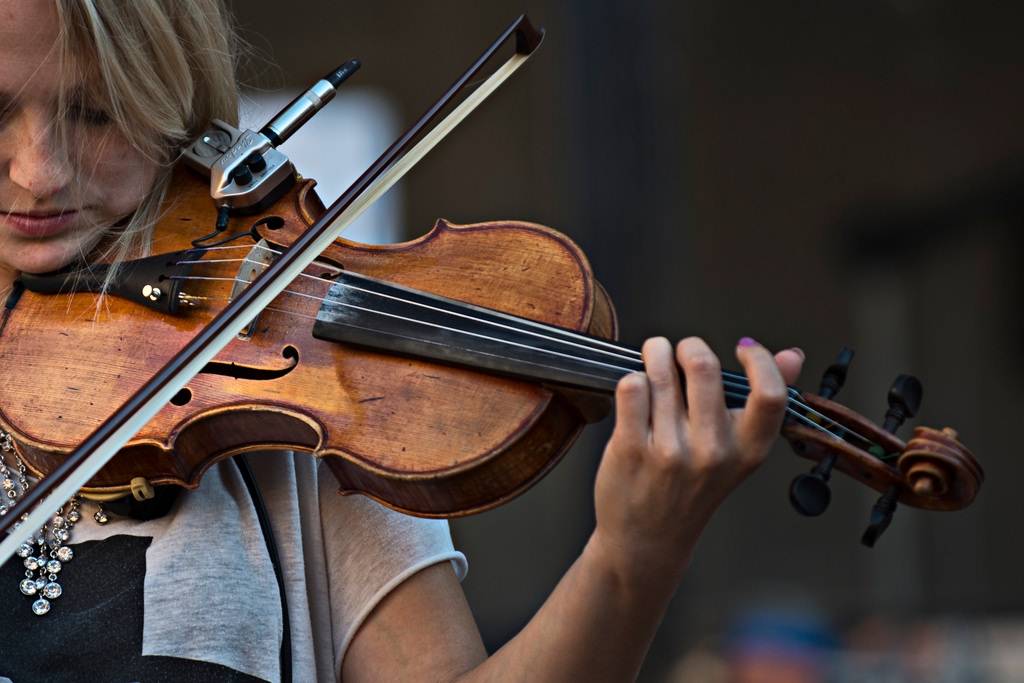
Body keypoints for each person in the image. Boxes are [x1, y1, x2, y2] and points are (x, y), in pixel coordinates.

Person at [0, 0, 803, 681]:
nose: (40, 173)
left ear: (174, 108)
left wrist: (633, 555)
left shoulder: (285, 403)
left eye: (95, 113)